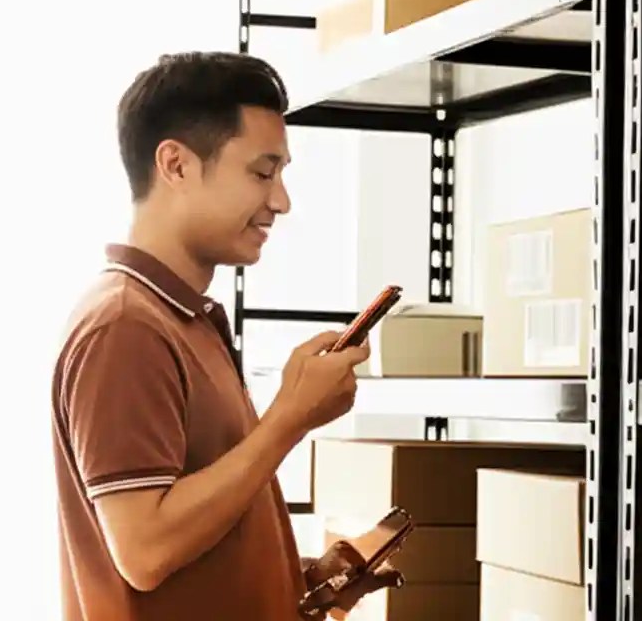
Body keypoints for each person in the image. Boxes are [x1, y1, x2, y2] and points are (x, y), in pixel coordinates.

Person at [50, 51, 401, 620]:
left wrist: (300, 580)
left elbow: (195, 539)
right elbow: (145, 550)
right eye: (262, 173)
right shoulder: (125, 328)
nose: (280, 201)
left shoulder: (183, 321)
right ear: (177, 165)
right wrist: (290, 419)